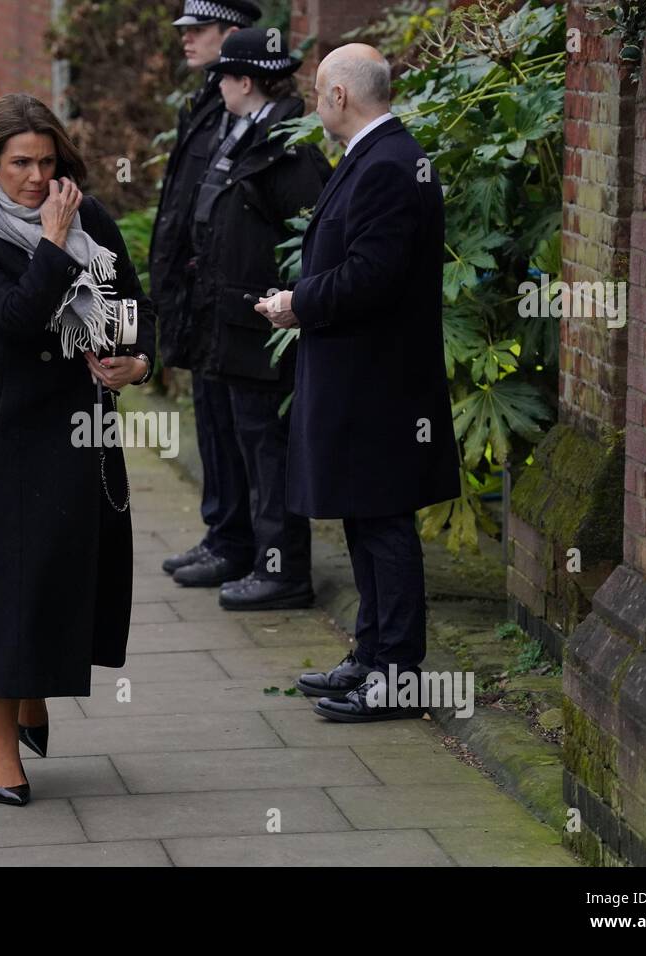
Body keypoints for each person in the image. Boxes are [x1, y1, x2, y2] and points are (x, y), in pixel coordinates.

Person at [0, 94, 157, 805]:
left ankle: (36, 694)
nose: (37, 177)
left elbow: (130, 307)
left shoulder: (86, 215)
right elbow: (14, 320)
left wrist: (138, 361)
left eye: (46, 161)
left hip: (80, 429)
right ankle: (5, 746)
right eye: (20, 164)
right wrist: (56, 246)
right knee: (5, 587)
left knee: (64, 572)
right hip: (2, 432)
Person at [254, 44, 459, 721]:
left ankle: (396, 674)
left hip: (380, 385)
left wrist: (297, 304)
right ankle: (371, 656)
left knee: (384, 524)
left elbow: (373, 277)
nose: (315, 107)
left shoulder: (391, 167)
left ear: (339, 96)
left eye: (317, 94)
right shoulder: (380, 158)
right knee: (366, 521)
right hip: (361, 379)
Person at [184, 28, 331, 610]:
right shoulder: (245, 133)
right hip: (237, 326)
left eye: (224, 75)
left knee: (269, 452)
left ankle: (284, 572)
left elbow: (309, 236)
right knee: (253, 447)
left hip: (265, 330)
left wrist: (285, 304)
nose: (216, 84)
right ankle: (261, 560)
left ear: (245, 82)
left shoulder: (285, 148)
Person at [149, 0, 263, 588]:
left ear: (233, 34)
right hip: (198, 295)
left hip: (221, 296)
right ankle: (221, 533)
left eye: (199, 31)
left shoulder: (243, 110)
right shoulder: (208, 102)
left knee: (229, 423)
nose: (186, 40)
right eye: (186, 30)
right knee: (211, 419)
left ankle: (237, 543)